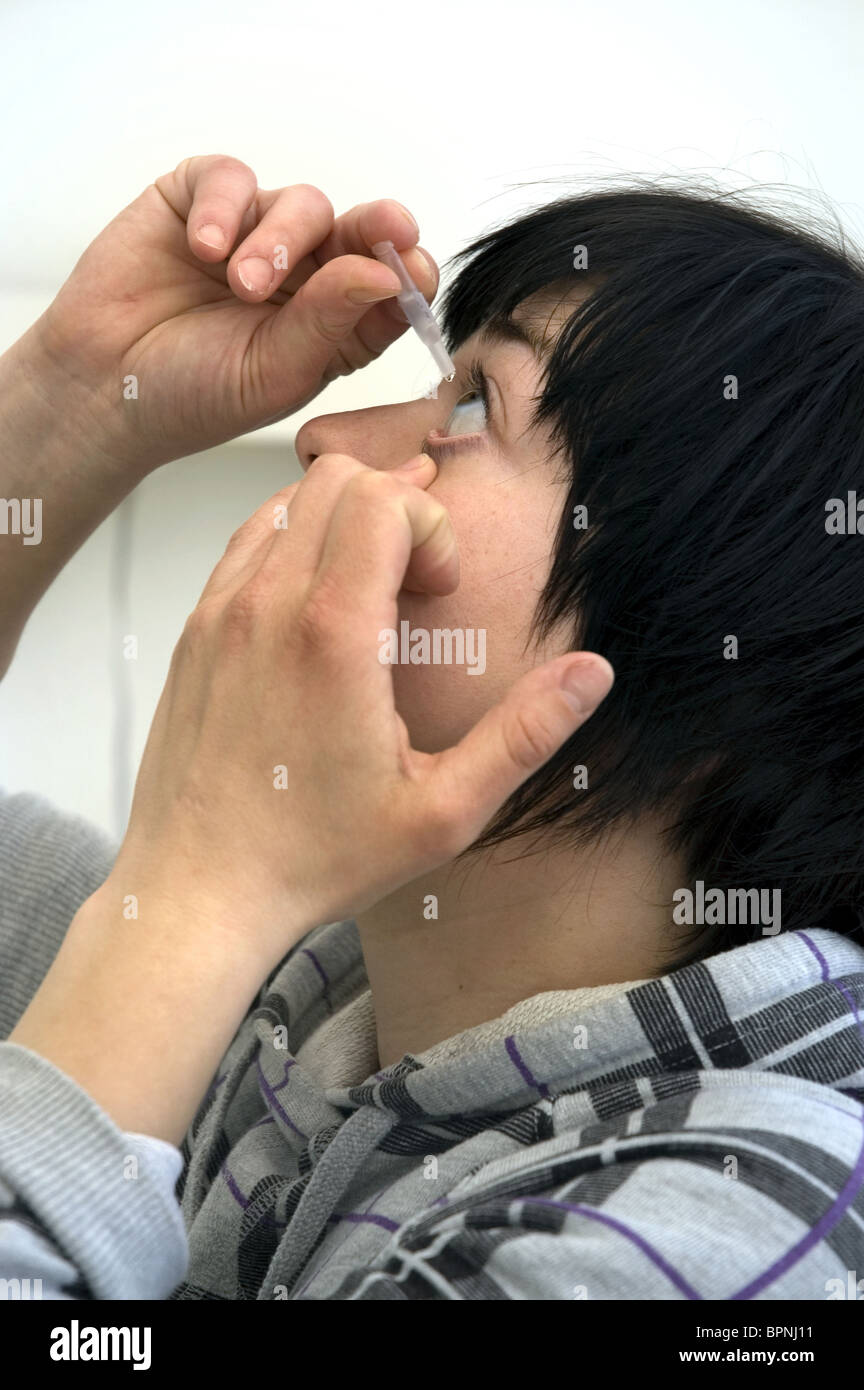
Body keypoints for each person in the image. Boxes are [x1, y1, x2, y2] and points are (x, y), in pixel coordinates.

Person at [1, 155, 862, 1301]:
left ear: (723, 648)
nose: (328, 444)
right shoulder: (320, 1004)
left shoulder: (717, 1235)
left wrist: (206, 886)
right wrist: (66, 408)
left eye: (470, 406)